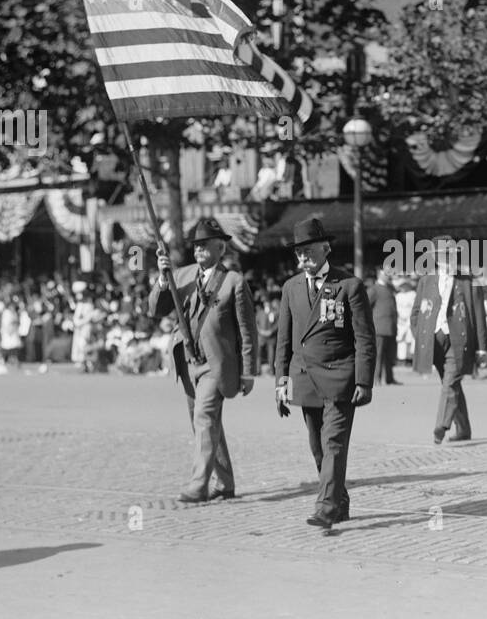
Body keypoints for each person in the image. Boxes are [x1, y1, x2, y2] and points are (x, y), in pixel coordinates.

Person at [274, 218, 376, 529]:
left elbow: (364, 337)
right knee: (318, 447)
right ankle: (340, 501)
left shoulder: (349, 285)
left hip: (339, 377)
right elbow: (284, 339)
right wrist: (281, 381)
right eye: (298, 252)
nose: (303, 257)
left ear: (326, 248)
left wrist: (364, 380)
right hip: (304, 378)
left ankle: (326, 508)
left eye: (308, 250)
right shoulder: (291, 288)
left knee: (333, 443)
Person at [152, 217, 258, 504]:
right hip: (188, 362)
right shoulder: (183, 275)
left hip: (217, 365)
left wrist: (248, 373)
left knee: (204, 417)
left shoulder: (234, 282)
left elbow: (247, 330)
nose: (198, 250)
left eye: (204, 245)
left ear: (220, 248)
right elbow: (156, 309)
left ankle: (198, 485)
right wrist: (163, 279)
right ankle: (224, 483)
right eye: (196, 245)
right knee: (206, 424)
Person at [410, 237, 487, 443]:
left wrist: (482, 348)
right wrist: (420, 334)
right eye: (443, 255)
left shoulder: (469, 280)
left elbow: (479, 316)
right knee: (452, 385)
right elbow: (416, 312)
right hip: (434, 339)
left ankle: (441, 425)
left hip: (459, 340)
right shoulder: (426, 280)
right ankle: (464, 429)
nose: (447, 259)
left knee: (450, 382)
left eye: (450, 255)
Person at [368, 269, 400, 385]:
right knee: (378, 355)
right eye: (386, 274)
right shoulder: (374, 289)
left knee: (389, 355)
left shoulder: (390, 288)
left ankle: (389, 378)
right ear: (380, 275)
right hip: (379, 328)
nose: (389, 276)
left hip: (390, 326)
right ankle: (376, 378)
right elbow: (366, 307)